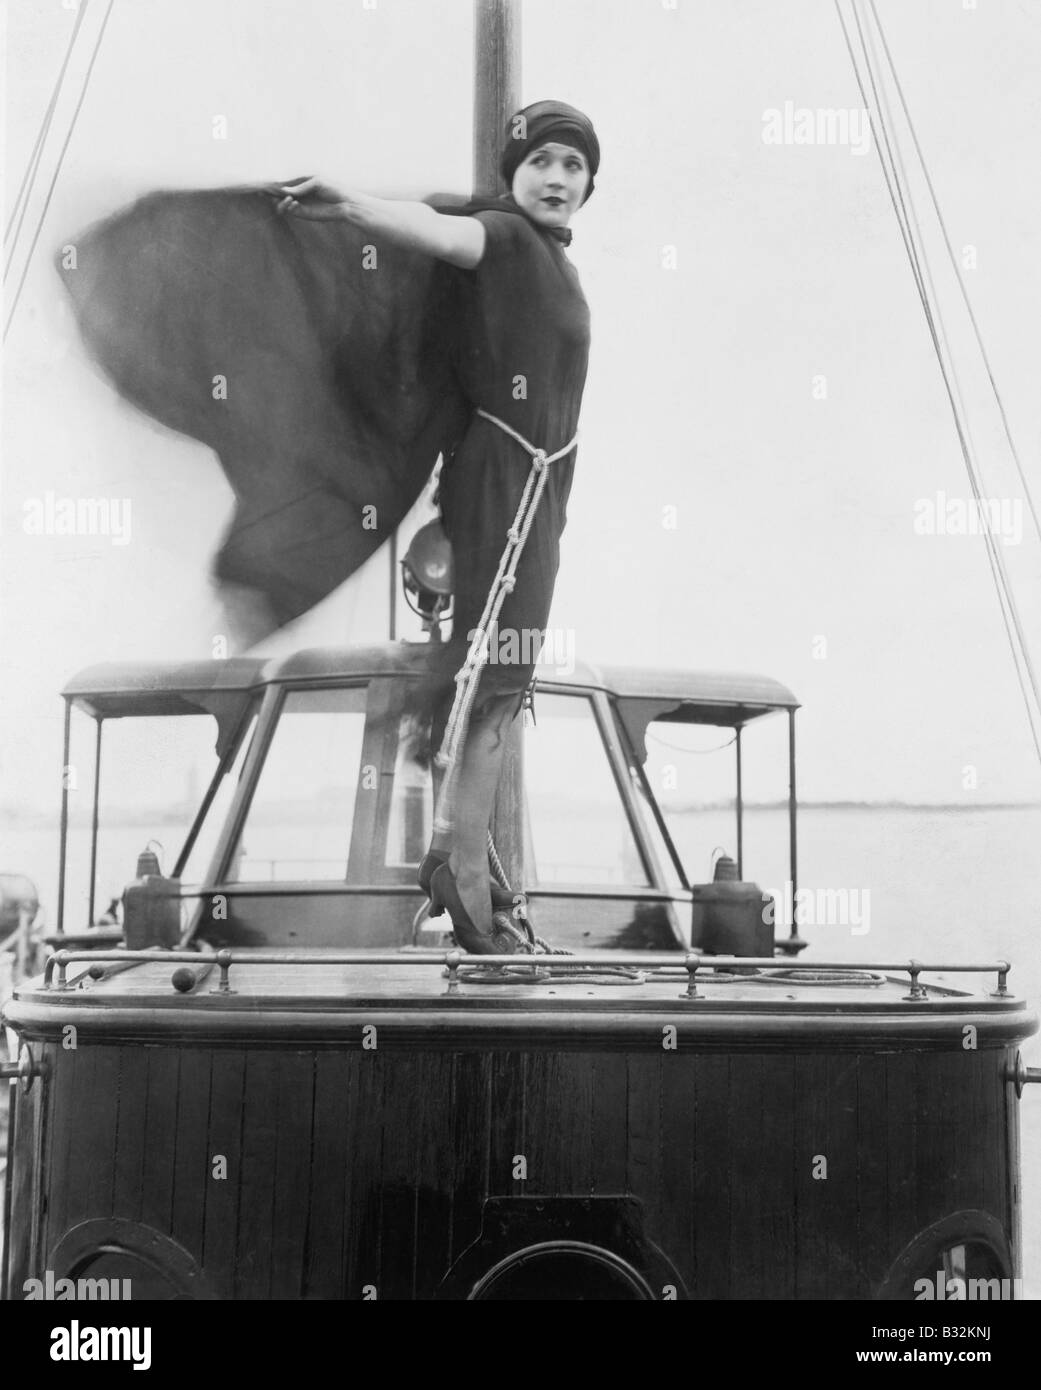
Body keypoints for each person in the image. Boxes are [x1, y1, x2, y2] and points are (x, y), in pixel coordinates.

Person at [276, 100, 599, 954]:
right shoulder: (504, 237)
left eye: (572, 166)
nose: (556, 178)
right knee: (496, 678)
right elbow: (433, 230)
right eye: (541, 163)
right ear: (512, 174)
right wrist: (350, 205)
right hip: (507, 477)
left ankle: (460, 856)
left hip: (537, 481)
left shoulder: (557, 265)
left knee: (502, 674)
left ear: (590, 184)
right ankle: (460, 872)